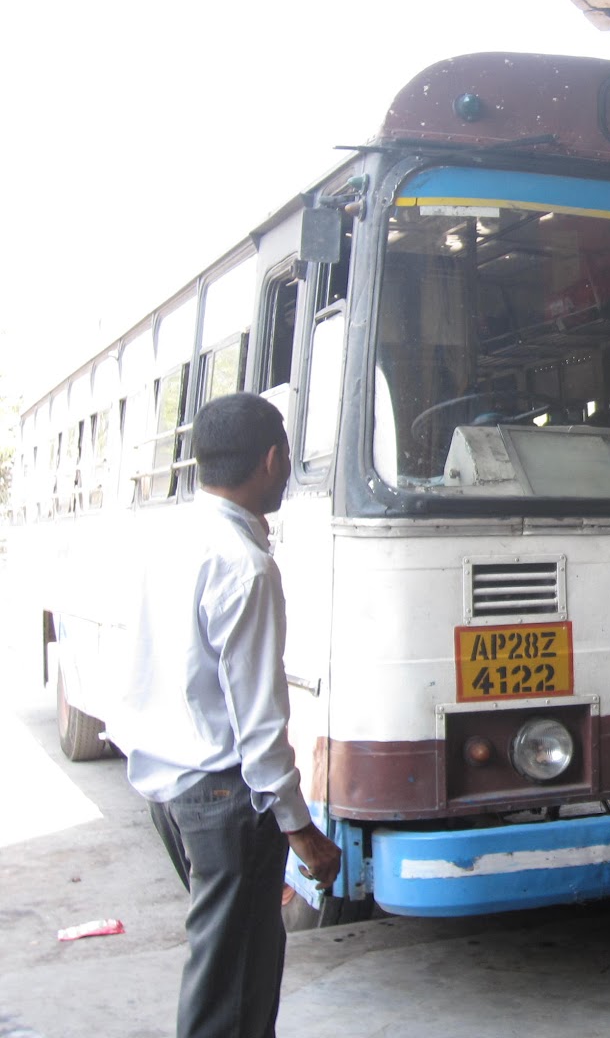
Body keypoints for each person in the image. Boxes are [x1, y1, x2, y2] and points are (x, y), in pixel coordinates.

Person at [110, 393, 341, 1038]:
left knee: (230, 973)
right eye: (288, 457)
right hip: (224, 799)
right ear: (269, 461)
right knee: (232, 993)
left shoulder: (175, 538)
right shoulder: (245, 567)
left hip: (175, 788)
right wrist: (303, 832)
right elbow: (261, 727)